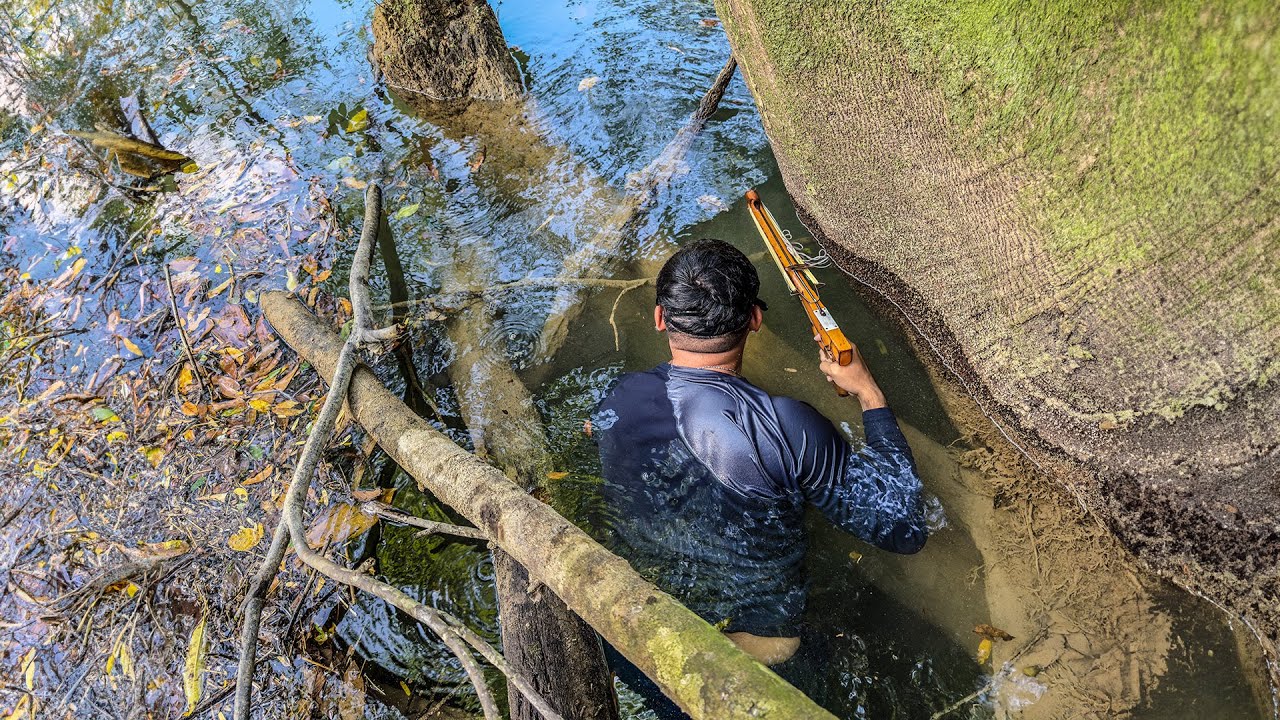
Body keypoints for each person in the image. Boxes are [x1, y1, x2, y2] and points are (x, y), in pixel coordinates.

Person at [591, 238, 928, 717]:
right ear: (755, 319)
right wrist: (869, 395)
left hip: (637, 633)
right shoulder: (788, 426)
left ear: (660, 318)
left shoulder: (617, 398)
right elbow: (903, 529)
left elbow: (598, 433)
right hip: (760, 655)